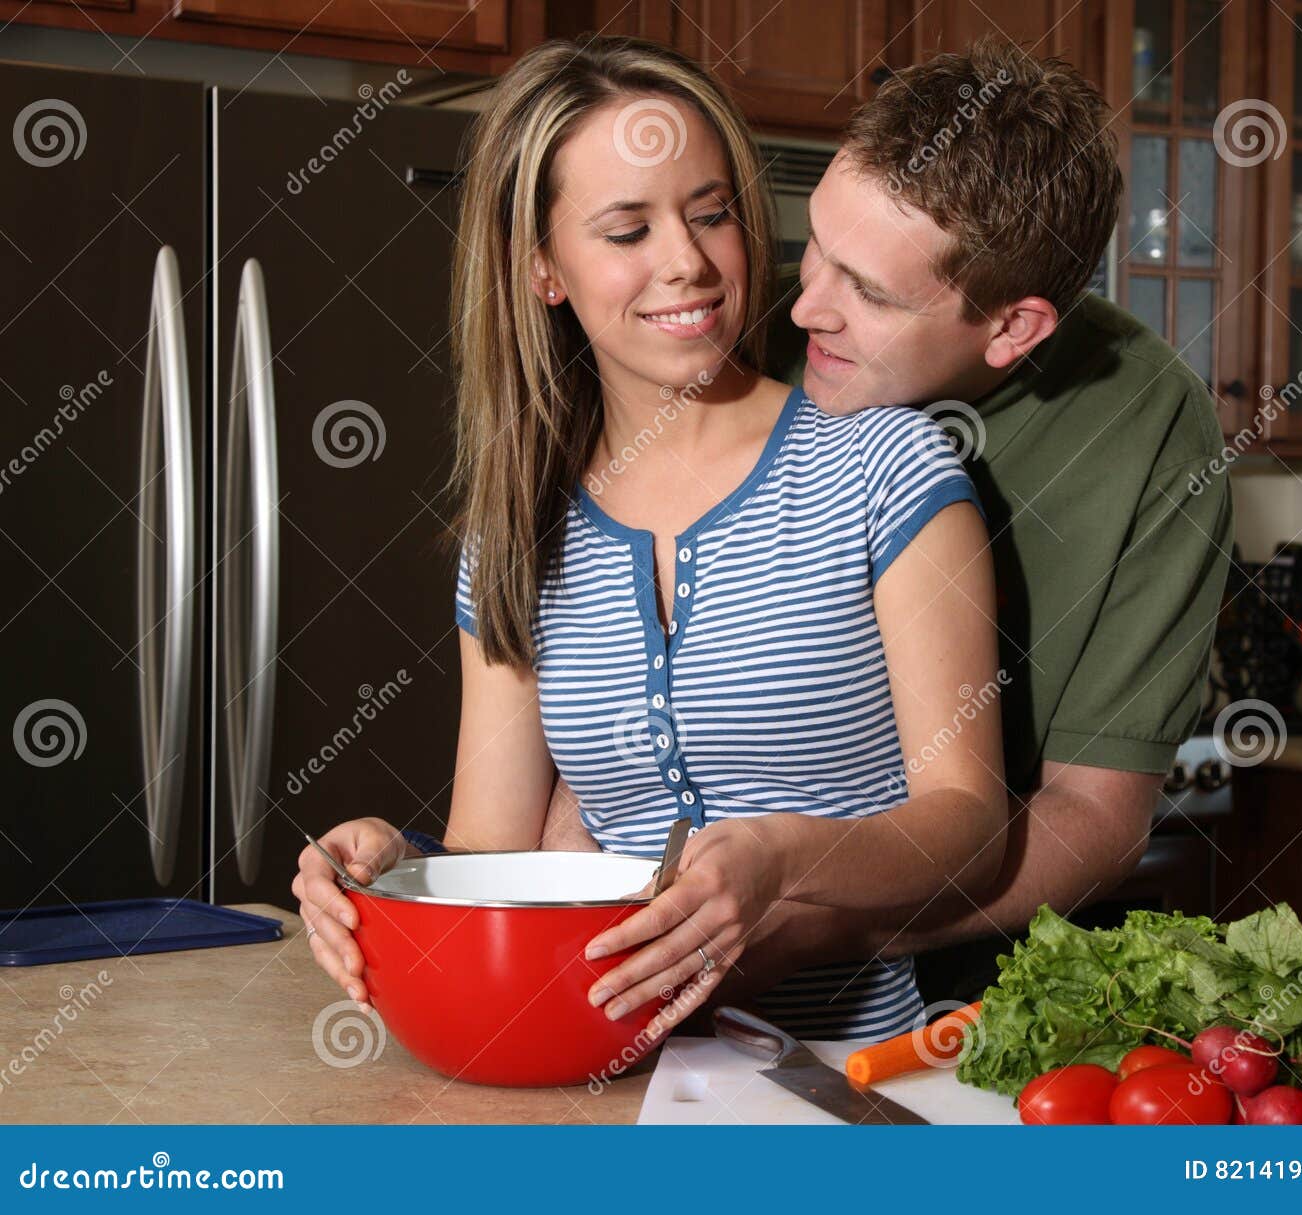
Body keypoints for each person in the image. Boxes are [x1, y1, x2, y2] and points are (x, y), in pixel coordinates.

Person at [291, 34, 1008, 1043]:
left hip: (854, 1073)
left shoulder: (885, 468)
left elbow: (969, 821)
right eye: (627, 230)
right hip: (593, 1071)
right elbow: (495, 861)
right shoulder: (514, 535)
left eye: (710, 213)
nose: (689, 261)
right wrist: (387, 871)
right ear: (541, 267)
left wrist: (780, 858)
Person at [545, 36, 1236, 1009]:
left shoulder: (1147, 423)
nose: (802, 307)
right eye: (812, 247)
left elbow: (1095, 809)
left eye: (866, 292)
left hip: (967, 999)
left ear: (1011, 329)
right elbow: (639, 666)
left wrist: (824, 929)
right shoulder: (730, 341)